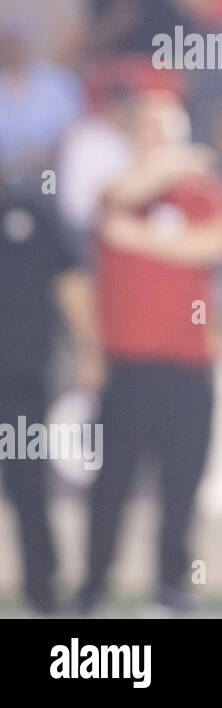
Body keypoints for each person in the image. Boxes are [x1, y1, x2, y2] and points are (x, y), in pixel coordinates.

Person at [76, 90, 222, 614]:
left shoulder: (202, 196)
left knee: (182, 485)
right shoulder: (117, 188)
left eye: (166, 131)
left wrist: (140, 238)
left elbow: (215, 244)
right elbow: (115, 207)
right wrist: (175, 168)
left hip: (191, 367)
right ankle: (94, 584)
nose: (158, 142)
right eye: (149, 130)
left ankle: (172, 585)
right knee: (113, 484)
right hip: (130, 366)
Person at [0, 173, 101, 614]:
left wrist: (89, 348)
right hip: (22, 372)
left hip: (19, 377)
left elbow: (71, 283)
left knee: (27, 485)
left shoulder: (32, 210)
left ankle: (41, 590)